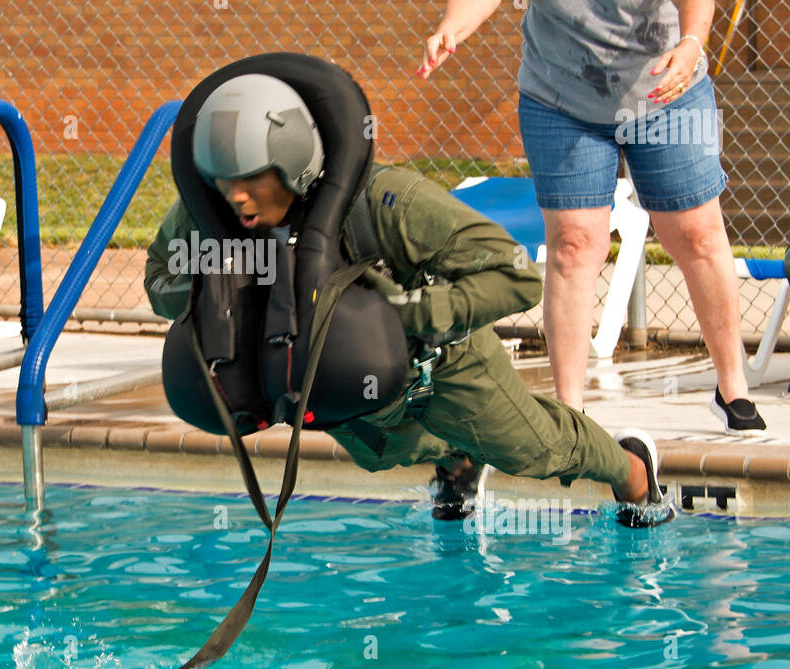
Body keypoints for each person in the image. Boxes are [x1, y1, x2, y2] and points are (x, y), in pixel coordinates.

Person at [145, 70, 673, 527]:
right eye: (222, 180)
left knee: (534, 451)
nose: (235, 195)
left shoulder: (385, 201)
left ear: (290, 160)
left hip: (445, 360)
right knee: (378, 455)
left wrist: (411, 314)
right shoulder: (209, 212)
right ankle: (459, 460)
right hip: (342, 370)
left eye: (250, 179)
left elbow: (515, 276)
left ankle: (631, 469)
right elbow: (159, 276)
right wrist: (215, 292)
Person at [417, 0, 765, 436]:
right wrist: (451, 27)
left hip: (663, 89)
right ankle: (570, 413)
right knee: (576, 243)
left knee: (695, 232)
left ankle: (732, 389)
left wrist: (691, 44)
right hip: (563, 99)